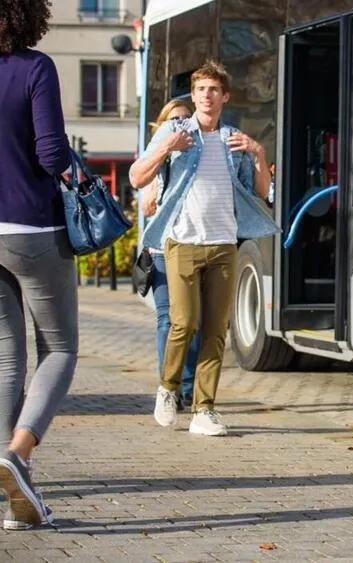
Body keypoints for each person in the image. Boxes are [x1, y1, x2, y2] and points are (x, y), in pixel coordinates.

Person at [129, 60, 276, 436]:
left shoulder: (233, 140)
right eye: (200, 90)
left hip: (223, 245)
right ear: (193, 96)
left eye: (213, 90)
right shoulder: (175, 131)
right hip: (182, 243)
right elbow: (136, 176)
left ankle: (204, 409)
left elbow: (259, 193)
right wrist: (167, 149)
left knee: (215, 331)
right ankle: (168, 388)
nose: (206, 96)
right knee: (183, 322)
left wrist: (258, 154)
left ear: (224, 96)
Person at [0, 0, 75, 529]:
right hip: (31, 228)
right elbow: (51, 155)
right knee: (60, 348)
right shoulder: (34, 67)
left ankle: (11, 496)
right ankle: (19, 454)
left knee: (6, 358)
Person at [138, 99, 202, 412]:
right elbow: (146, 204)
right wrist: (166, 151)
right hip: (162, 246)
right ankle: (169, 389)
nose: (181, 124)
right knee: (167, 318)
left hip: (193, 244)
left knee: (192, 321)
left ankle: (188, 388)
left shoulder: (200, 155)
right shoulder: (157, 155)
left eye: (186, 119)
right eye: (174, 119)